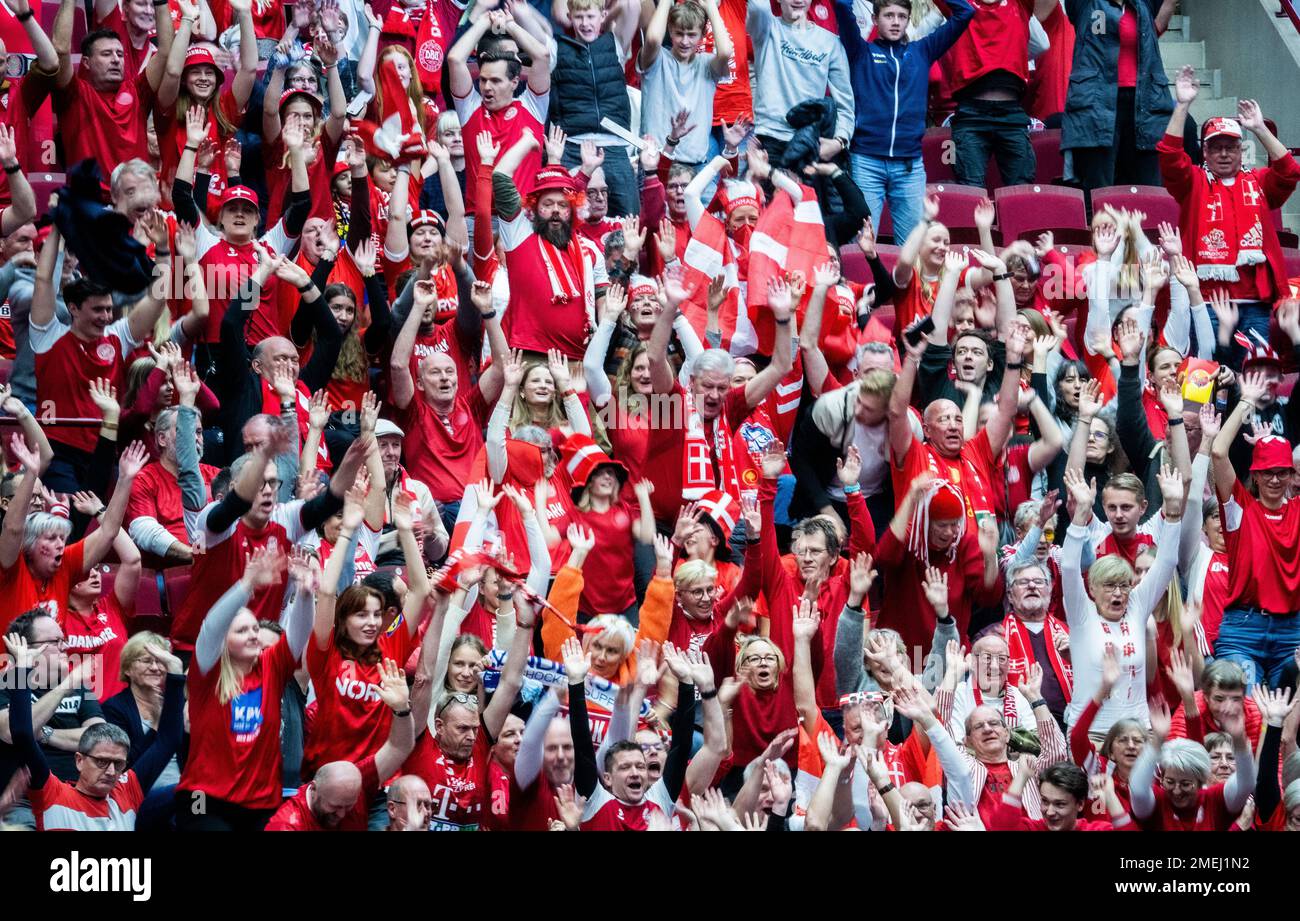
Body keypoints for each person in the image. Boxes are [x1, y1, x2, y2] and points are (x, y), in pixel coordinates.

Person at [175, 545, 315, 831]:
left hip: (260, 802)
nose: (254, 635)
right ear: (223, 642)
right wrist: (246, 585)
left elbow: (299, 636)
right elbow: (210, 627)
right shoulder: (207, 673)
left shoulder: (270, 667)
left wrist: (304, 593)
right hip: (202, 798)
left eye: (254, 629)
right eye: (242, 630)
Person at [1160, 74, 1300, 350]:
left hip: (1255, 304)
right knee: (1210, 377)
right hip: (1207, 303)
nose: (1224, 154)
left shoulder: (1258, 182)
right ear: (1205, 152)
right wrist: (1182, 105)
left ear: (1240, 150)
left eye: (1231, 147)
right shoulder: (1194, 182)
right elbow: (1169, 156)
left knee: (1255, 375)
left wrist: (1259, 128)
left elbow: (1289, 171)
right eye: (1216, 147)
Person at [2, 630, 184, 831]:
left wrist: (175, 670)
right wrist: (22, 668)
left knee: (195, 797)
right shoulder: (52, 792)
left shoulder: (127, 789)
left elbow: (169, 740)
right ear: (79, 760)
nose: (111, 772)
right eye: (102, 762)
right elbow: (22, 733)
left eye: (118, 764)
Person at [1060, 463, 1185, 734]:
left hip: (1136, 734)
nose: (1118, 593)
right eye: (1109, 586)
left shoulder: (1137, 608)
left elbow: (1166, 562)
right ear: (1091, 590)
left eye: (1123, 586)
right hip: (1090, 733)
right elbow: (1069, 567)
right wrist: (1081, 512)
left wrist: (1173, 509)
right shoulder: (1082, 614)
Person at [835, 0, 973, 244]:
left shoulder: (922, 51)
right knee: (861, 246)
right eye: (889, 15)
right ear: (875, 20)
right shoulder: (861, 52)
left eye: (902, 16)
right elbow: (841, 6)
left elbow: (965, 12)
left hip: (909, 167)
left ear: (909, 20)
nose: (896, 22)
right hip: (867, 162)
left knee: (910, 251)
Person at [1209, 369, 1300, 688]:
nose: (1275, 479)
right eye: (1267, 472)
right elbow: (1218, 451)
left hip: (1293, 632)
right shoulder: (1239, 509)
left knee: (1287, 727)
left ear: (1292, 475)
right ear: (1255, 476)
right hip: (1243, 630)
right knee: (1245, 714)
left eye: (1281, 472)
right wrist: (1245, 401)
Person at [265, 658, 416, 831]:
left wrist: (401, 709)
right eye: (334, 807)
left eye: (349, 806)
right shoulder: (286, 824)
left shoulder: (355, 783)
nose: (342, 814)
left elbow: (399, 747)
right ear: (313, 789)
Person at [1061, 0, 1176, 195]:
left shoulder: (1143, 4)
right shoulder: (1085, 4)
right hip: (1095, 106)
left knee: (1149, 192)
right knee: (1099, 191)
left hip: (1145, 106)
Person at [1129, 697, 1255, 831]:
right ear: (1162, 778)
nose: (1176, 791)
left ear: (1201, 781)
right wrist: (1158, 740)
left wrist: (1239, 740)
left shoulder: (1214, 799)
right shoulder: (1157, 802)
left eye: (1186, 784)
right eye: (1170, 782)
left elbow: (1246, 783)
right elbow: (1137, 789)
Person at [637, 0, 734, 170]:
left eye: (691, 34)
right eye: (679, 33)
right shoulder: (658, 59)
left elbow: (725, 51)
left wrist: (711, 6)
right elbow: (652, 39)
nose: (684, 41)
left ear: (702, 35)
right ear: (670, 31)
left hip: (694, 163)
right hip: (655, 159)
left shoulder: (707, 64)